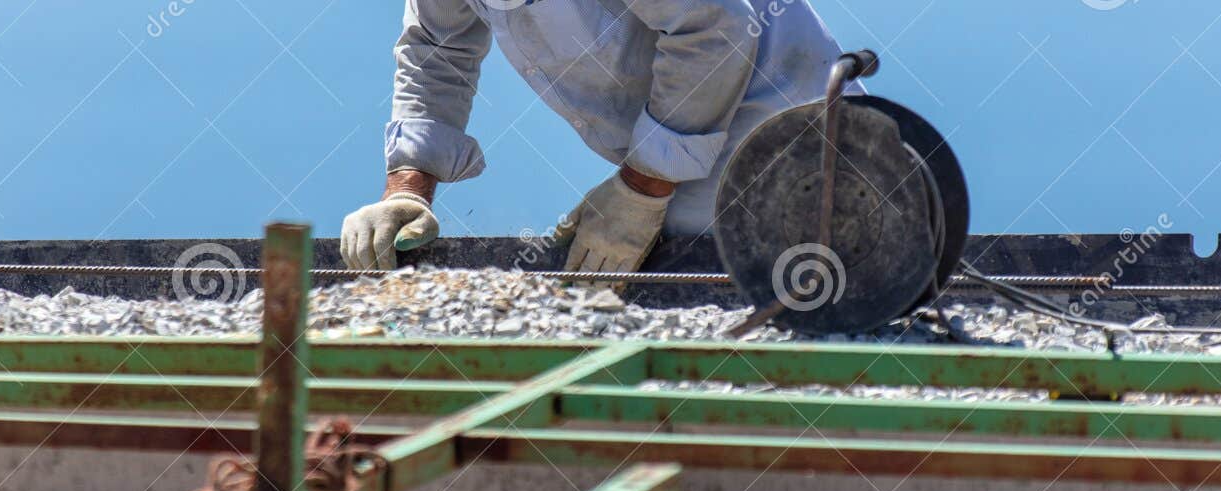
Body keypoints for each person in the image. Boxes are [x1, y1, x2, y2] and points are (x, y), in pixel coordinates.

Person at [341, 0, 850, 276]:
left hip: (799, 141)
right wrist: (407, 188)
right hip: (681, 178)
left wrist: (639, 188)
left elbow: (716, 28)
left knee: (845, 317)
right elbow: (437, 50)